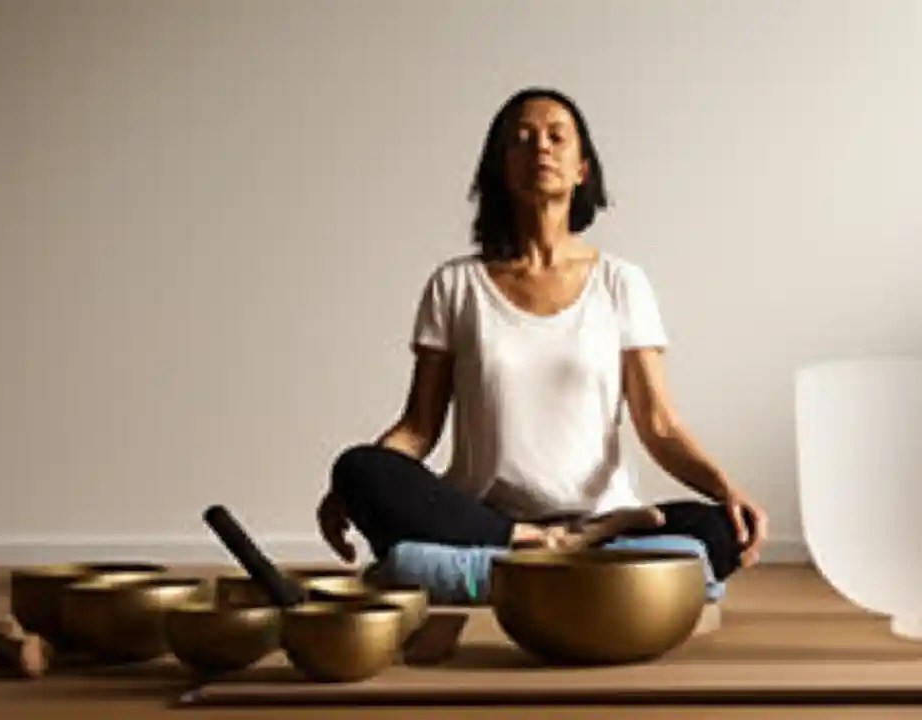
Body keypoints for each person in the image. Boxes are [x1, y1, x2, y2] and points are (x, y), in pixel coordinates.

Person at [318, 87, 767, 584]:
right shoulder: (456, 285)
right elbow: (419, 427)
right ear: (501, 168)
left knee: (718, 529)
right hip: (482, 516)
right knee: (359, 468)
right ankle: (543, 550)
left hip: (607, 522)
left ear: (582, 169)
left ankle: (512, 566)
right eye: (522, 140)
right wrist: (357, 484)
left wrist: (728, 491)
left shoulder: (621, 282)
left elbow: (658, 424)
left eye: (557, 137)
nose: (541, 149)